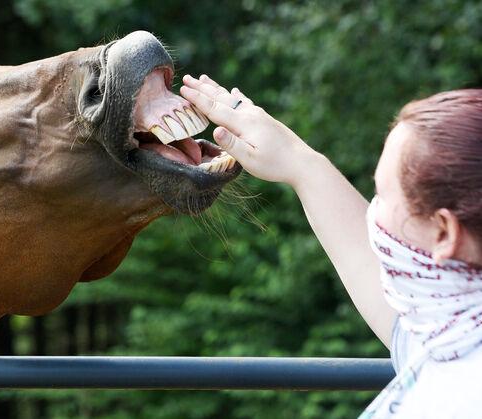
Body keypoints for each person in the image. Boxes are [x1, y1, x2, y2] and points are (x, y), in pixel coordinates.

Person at [180, 75, 482, 418]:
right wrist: (299, 163)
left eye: (381, 195)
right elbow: (383, 294)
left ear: (443, 232)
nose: (372, 211)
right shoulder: (454, 334)